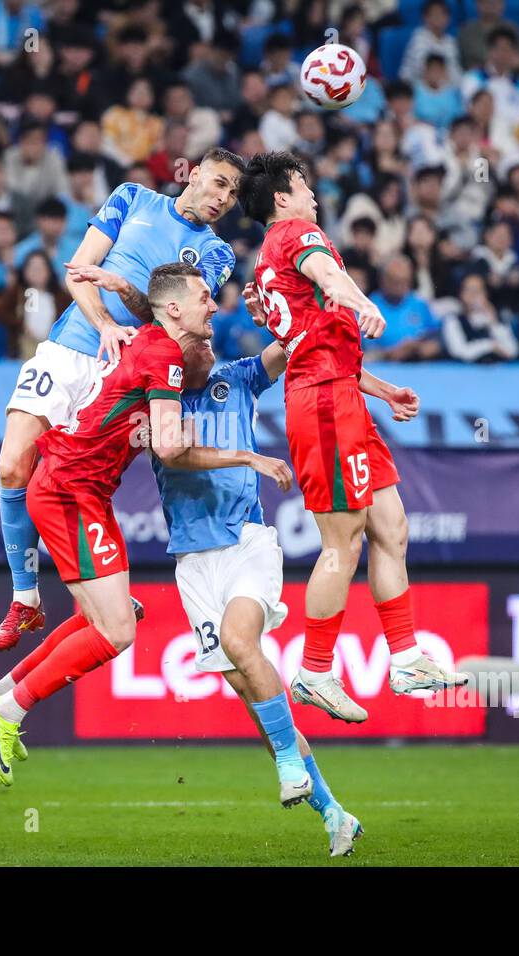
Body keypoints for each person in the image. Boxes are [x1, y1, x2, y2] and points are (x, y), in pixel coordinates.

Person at [0, 262, 293, 785]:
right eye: (205, 297)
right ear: (174, 309)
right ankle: (10, 712)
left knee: (112, 618)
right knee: (116, 630)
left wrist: (123, 290)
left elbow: (156, 395)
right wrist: (247, 457)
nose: (214, 306)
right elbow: (168, 446)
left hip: (83, 492)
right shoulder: (162, 353)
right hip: (69, 491)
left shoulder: (149, 340)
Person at [237, 151, 466, 724]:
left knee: (392, 527)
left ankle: (408, 658)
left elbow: (320, 343)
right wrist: (362, 300)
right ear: (282, 199)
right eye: (303, 185)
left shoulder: (270, 261)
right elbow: (330, 278)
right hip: (321, 404)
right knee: (344, 543)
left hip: (340, 394)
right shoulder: (297, 232)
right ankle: (315, 670)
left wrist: (383, 391)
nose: (313, 194)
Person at [0, 147, 243, 652]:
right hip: (69, 349)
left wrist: (127, 298)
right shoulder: (132, 198)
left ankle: (107, 595)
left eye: (233, 192)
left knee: (80, 484)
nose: (224, 198)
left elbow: (174, 319)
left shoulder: (217, 255)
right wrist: (105, 323)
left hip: (128, 377)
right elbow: (79, 269)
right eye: (217, 183)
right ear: (192, 175)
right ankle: (26, 598)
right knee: (13, 467)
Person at [156, 332, 362, 855]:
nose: (208, 341)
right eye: (198, 338)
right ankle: (334, 811)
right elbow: (175, 454)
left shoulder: (239, 378)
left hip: (246, 542)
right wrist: (248, 457)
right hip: (192, 564)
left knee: (241, 642)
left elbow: (290, 348)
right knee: (252, 697)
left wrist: (278, 310)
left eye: (209, 337)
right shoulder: (160, 397)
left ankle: (291, 767)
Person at [442, 272, 519, 363]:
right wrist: (490, 346)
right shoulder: (453, 320)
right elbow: (459, 351)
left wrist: (493, 323)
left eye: (478, 290)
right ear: (461, 294)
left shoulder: (496, 319)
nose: (473, 295)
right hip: (465, 372)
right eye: (469, 290)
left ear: (486, 294)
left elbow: (512, 351)